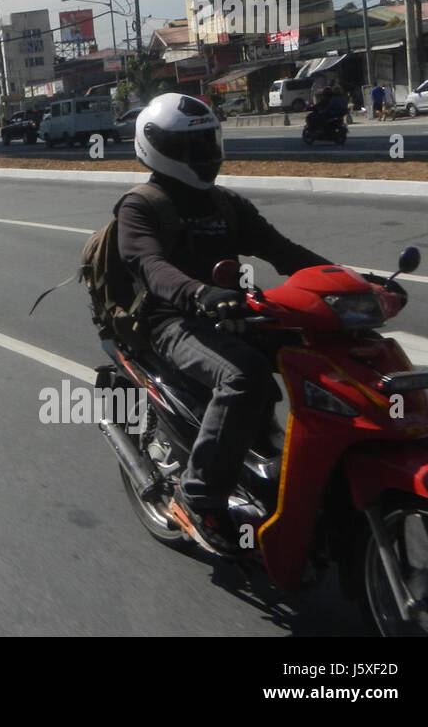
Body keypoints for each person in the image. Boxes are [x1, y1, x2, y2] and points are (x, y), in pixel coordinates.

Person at [116, 93, 332, 555]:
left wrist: (350, 281)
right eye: (190, 148)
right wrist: (198, 293)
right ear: (159, 148)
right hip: (170, 321)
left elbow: (284, 251)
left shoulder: (226, 204)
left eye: (206, 143)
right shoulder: (141, 206)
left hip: (235, 311)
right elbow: (150, 266)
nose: (204, 156)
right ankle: (202, 496)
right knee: (244, 375)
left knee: (324, 349)